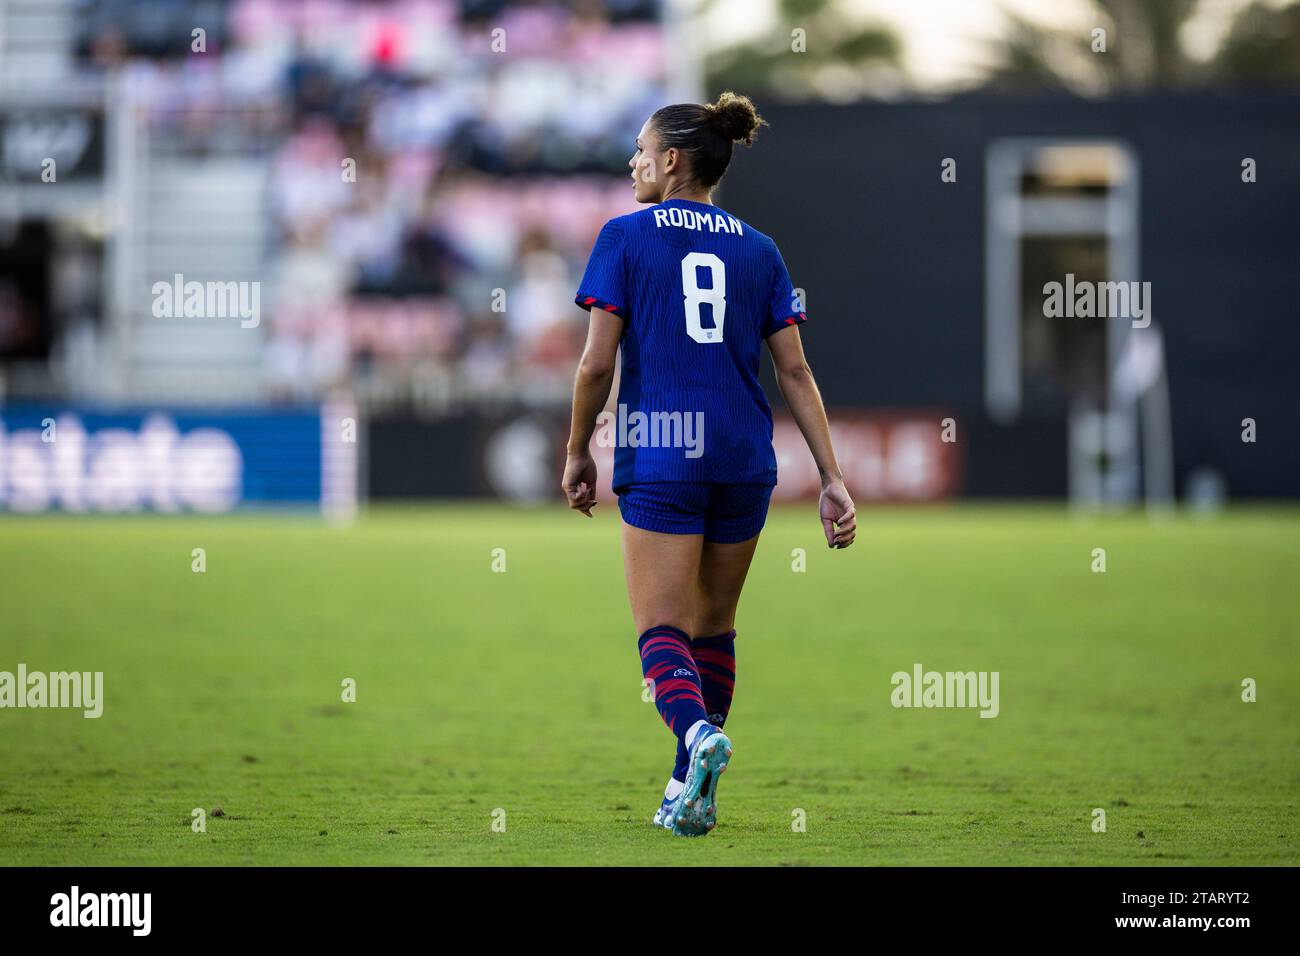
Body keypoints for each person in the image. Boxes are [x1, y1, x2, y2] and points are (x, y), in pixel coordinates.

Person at [563, 92, 856, 837]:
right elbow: (795, 372)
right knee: (714, 628)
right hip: (742, 456)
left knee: (661, 629)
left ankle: (696, 739)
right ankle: (687, 790)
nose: (632, 160)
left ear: (670, 160)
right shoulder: (759, 249)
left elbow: (595, 366)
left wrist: (576, 451)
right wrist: (831, 477)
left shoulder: (624, 237)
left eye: (640, 147)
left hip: (664, 449)